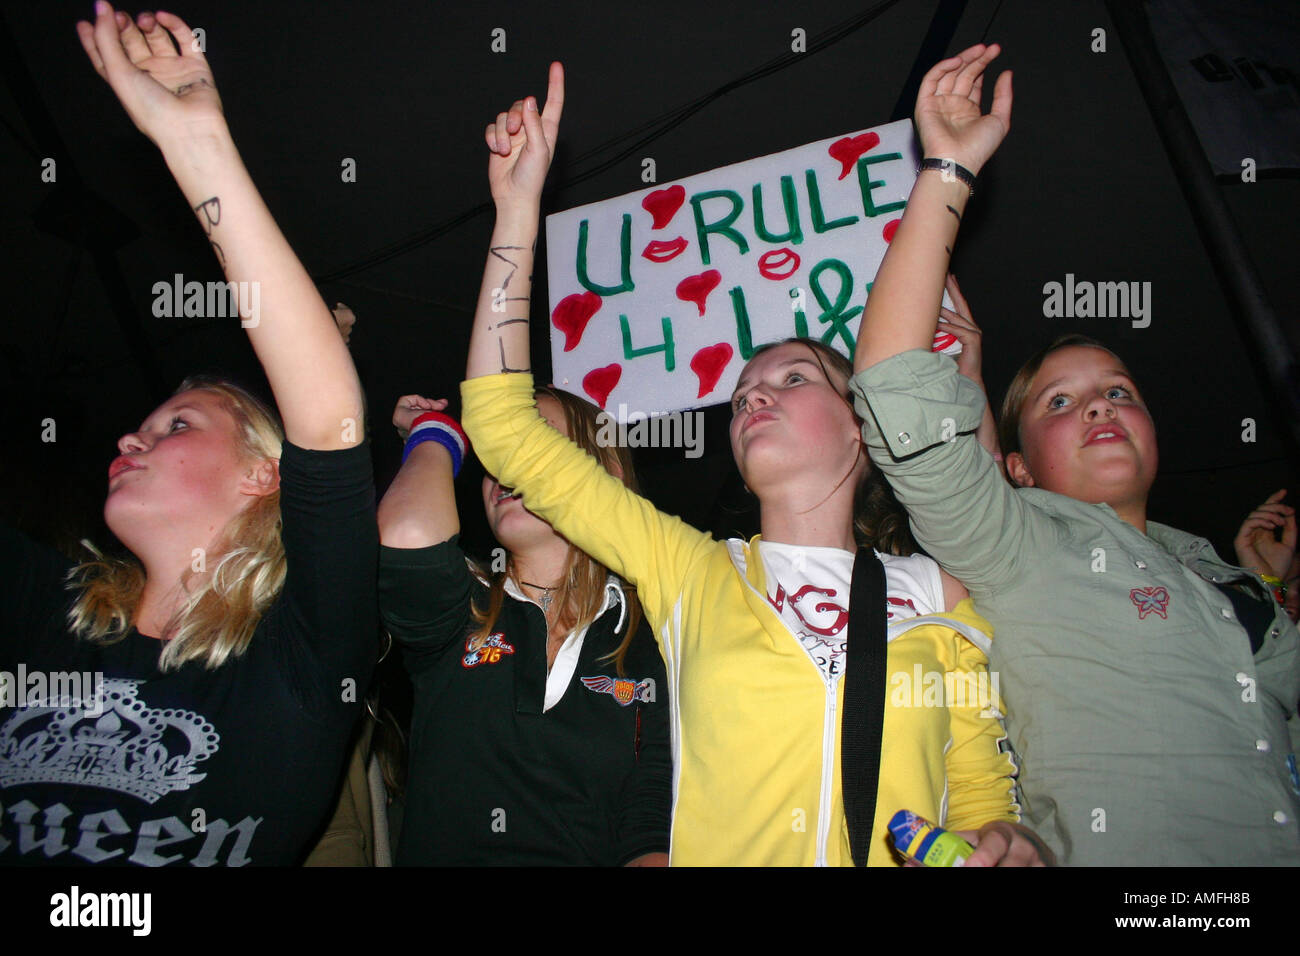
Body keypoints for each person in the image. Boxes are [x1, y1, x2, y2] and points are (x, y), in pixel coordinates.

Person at [458, 62, 1049, 866]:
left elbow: (982, 794)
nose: (752, 400)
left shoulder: (941, 593)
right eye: (740, 396)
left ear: (859, 428)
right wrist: (518, 210)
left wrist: (1009, 843)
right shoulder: (690, 573)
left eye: (793, 379)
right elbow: (503, 429)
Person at [851, 43, 1300, 865]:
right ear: (1017, 467)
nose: (1100, 403)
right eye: (1060, 403)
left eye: (1120, 390)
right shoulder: (1020, 542)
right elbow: (893, 382)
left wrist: (1267, 582)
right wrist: (948, 168)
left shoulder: (1225, 579)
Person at [0, 5, 376, 866]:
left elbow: (325, 418)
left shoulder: (302, 657)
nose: (130, 441)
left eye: (175, 425)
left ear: (261, 475)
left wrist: (193, 145)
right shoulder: (37, 612)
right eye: (138, 427)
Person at [376, 390, 670, 865]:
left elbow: (649, 816)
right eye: (496, 453)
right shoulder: (462, 607)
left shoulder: (654, 633)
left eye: (534, 441)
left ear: (607, 469)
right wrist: (436, 434)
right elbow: (407, 536)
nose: (507, 467)